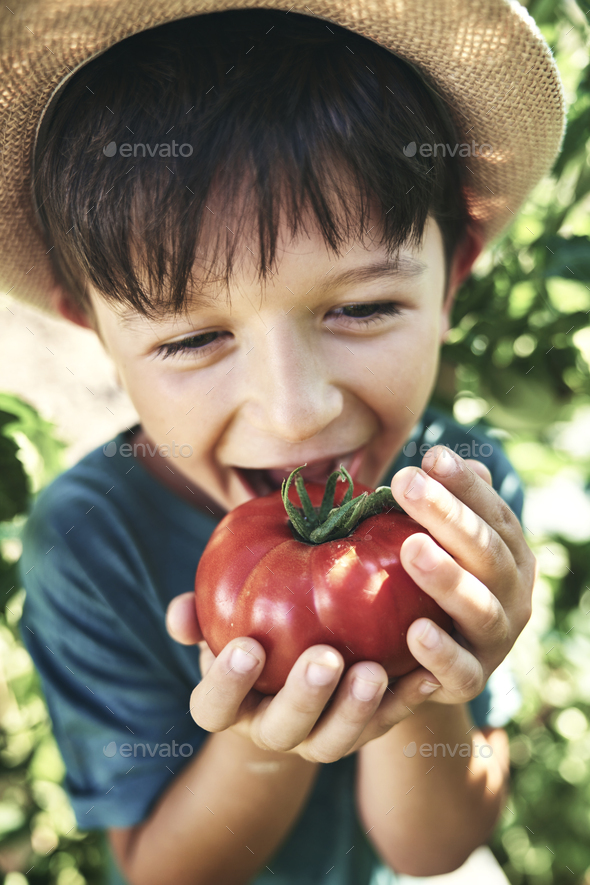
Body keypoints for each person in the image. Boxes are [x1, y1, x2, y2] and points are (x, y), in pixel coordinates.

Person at [0, 2, 565, 883]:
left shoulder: (463, 498)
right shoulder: (86, 542)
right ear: (97, 335)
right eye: (191, 339)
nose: (297, 412)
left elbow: (434, 848)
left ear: (451, 281)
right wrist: (265, 743)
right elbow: (164, 873)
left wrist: (432, 692)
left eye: (365, 307)